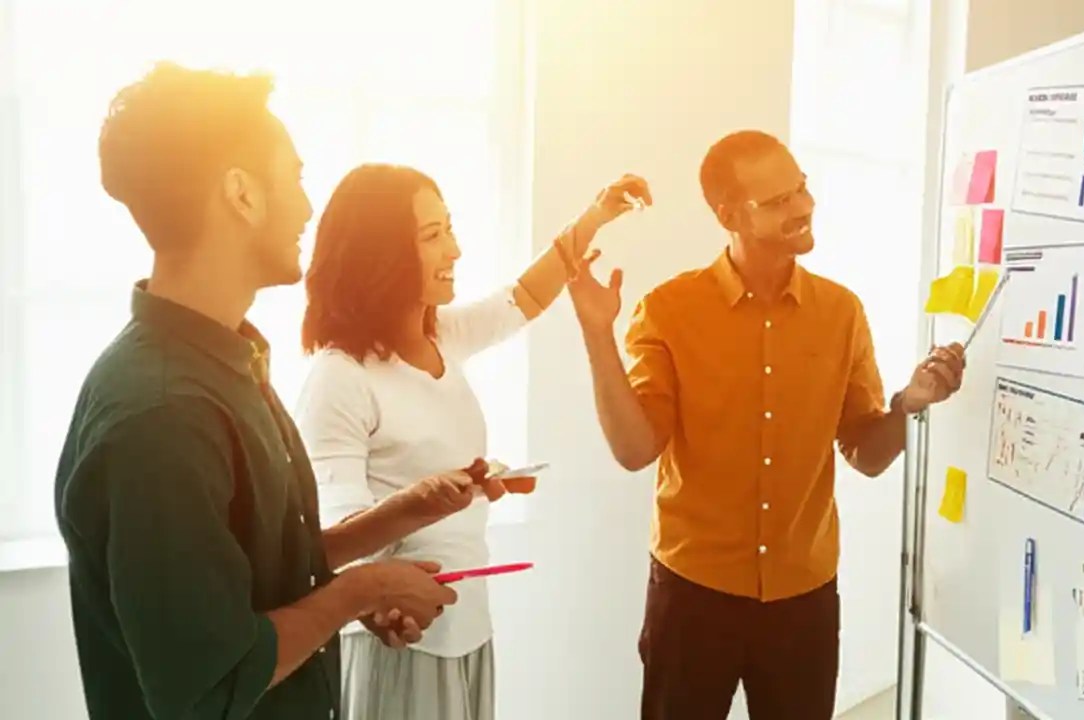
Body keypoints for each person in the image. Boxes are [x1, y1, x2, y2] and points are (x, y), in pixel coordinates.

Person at [53, 63, 466, 720]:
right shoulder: (164, 418)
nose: (306, 206)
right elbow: (211, 685)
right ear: (241, 194)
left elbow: (259, 569)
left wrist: (398, 519)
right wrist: (359, 592)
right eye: (297, 177)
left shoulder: (226, 361)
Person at [564, 130, 967, 720]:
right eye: (778, 201)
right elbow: (634, 449)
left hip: (803, 599)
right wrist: (598, 333)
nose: (802, 206)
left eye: (801, 187)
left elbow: (867, 453)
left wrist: (910, 403)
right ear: (728, 214)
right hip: (694, 594)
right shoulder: (670, 310)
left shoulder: (841, 312)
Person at [293, 162, 651, 720]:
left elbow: (526, 296)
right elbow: (336, 537)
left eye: (450, 229)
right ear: (380, 254)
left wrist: (598, 215)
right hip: (405, 639)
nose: (454, 250)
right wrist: (426, 503)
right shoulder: (341, 376)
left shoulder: (441, 336)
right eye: (432, 236)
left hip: (466, 626)